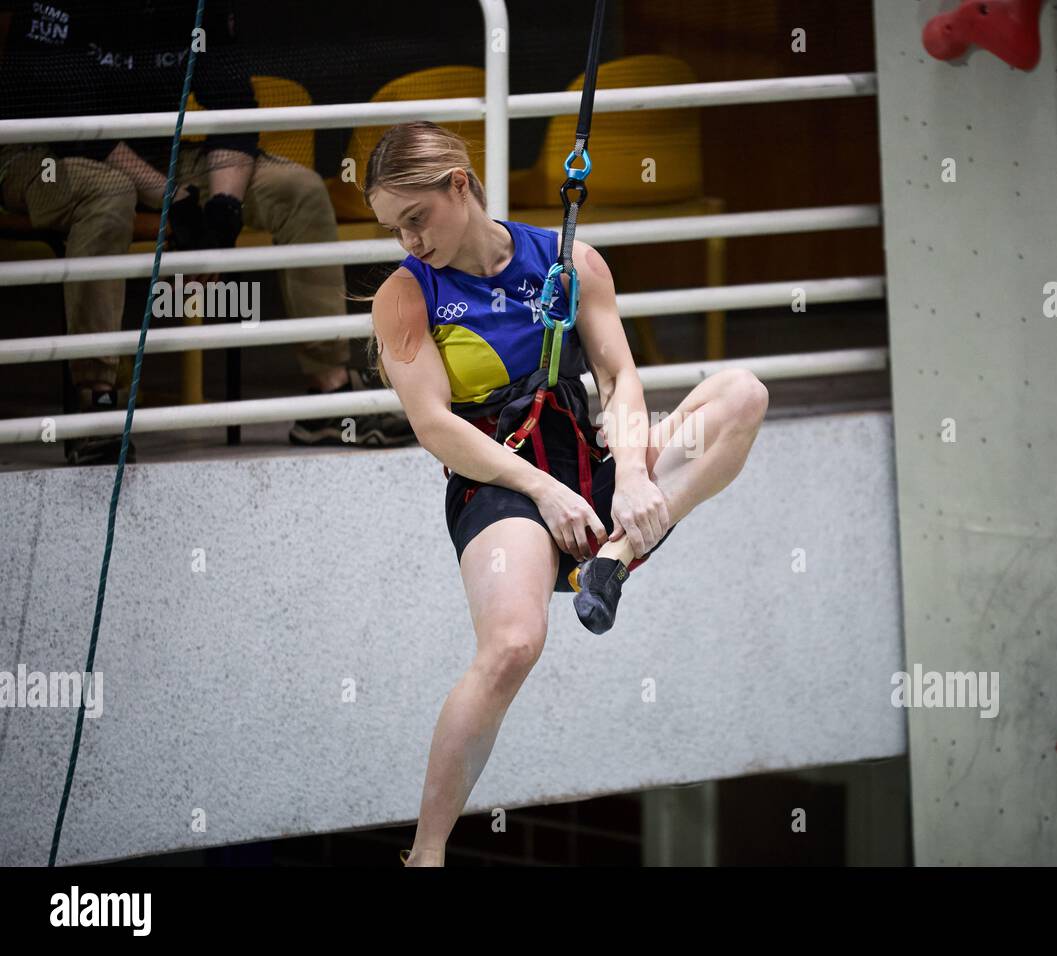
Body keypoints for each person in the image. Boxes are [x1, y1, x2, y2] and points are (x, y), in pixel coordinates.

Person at [363, 121, 768, 866]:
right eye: (394, 229)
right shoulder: (404, 298)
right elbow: (434, 427)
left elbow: (617, 378)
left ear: (461, 183)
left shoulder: (569, 259)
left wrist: (640, 473)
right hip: (502, 483)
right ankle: (425, 855)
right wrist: (542, 492)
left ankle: (611, 558)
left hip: (592, 463)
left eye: (415, 219)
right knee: (514, 645)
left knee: (741, 395)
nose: (408, 242)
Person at [0, 0, 415, 464]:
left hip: (157, 147)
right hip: (37, 150)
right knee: (110, 192)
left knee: (296, 189)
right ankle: (96, 404)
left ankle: (328, 394)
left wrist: (221, 211)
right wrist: (175, 202)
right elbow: (72, 124)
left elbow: (233, 108)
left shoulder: (204, 6)